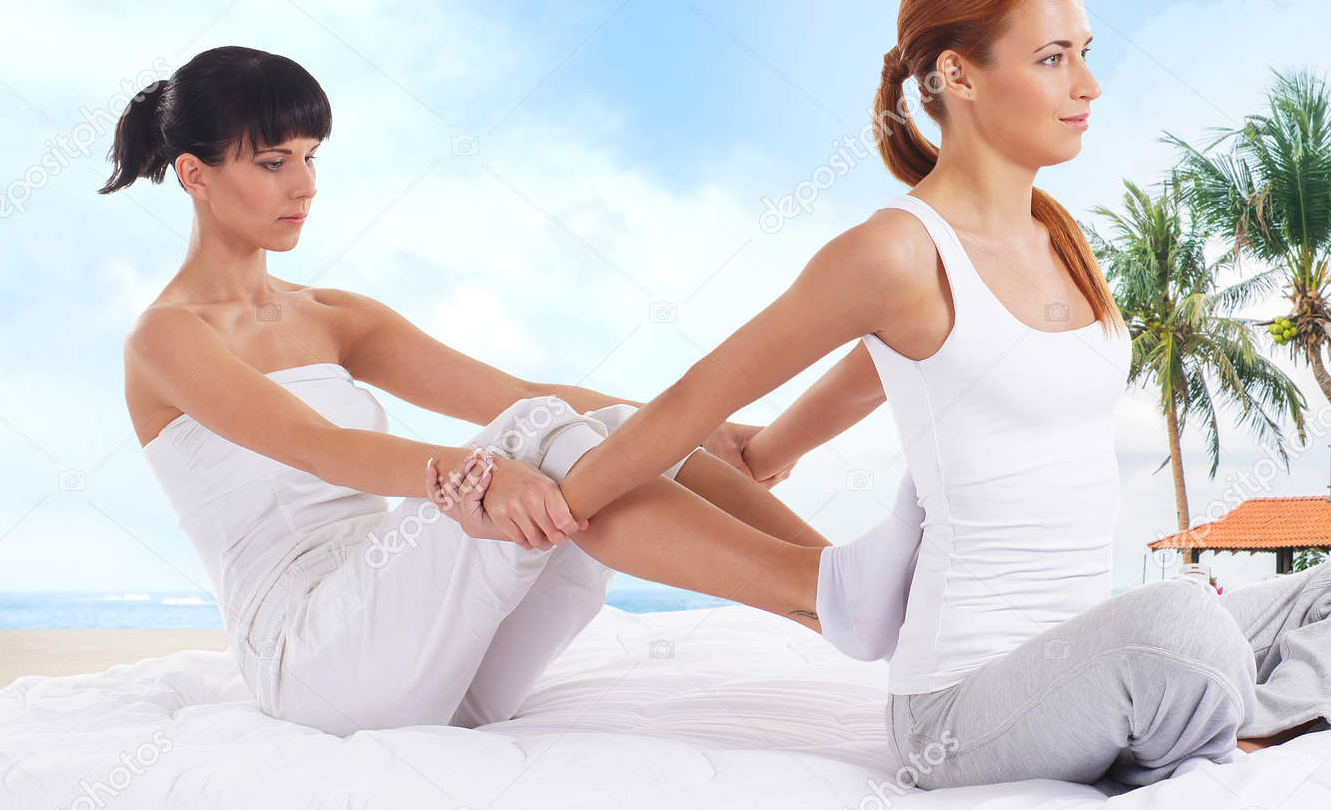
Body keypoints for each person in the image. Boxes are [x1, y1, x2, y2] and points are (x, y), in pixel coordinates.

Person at [498, 0, 1331, 789]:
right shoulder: (891, 250)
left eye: (1085, 55)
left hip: (1089, 647)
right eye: (1052, 59)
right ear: (957, 75)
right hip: (960, 709)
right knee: (1179, 628)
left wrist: (772, 451)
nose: (1086, 86)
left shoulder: (1060, 234)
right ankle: (1222, 714)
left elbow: (923, 363)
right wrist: (567, 496)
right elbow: (700, 391)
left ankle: (1236, 723)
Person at [102, 46, 905, 736]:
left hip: (442, 665)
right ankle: (827, 593)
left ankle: (845, 582)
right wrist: (474, 472)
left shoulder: (335, 316)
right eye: (273, 162)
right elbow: (324, 447)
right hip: (313, 658)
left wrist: (693, 433)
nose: (303, 184)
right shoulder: (168, 338)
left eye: (311, 156)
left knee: (605, 427)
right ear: (193, 175)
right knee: (539, 435)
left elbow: (518, 391)